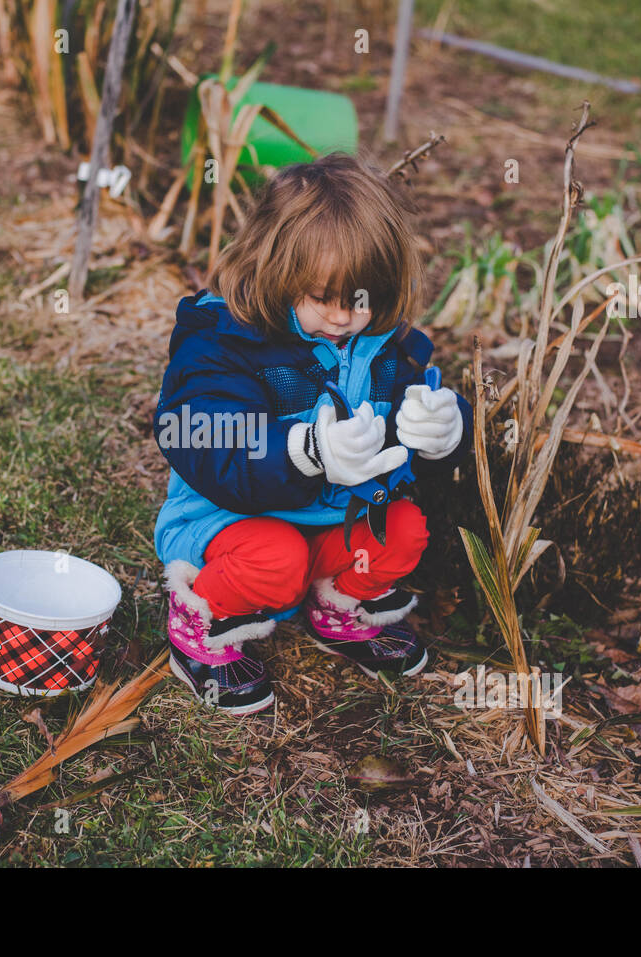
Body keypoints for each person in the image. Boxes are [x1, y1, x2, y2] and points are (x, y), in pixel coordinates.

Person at [153, 153, 473, 715]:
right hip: (230, 521)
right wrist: (306, 450)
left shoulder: (387, 348)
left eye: (360, 300)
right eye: (322, 296)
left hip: (331, 521)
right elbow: (198, 432)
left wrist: (447, 431)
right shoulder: (226, 341)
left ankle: (335, 606)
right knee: (276, 559)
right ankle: (201, 619)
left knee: (402, 530)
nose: (343, 317)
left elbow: (410, 428)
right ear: (276, 269)